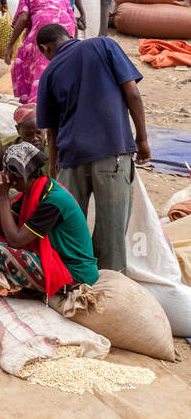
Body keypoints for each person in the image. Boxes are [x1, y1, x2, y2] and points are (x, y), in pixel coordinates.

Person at [36, 23, 148, 272]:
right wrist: (142, 139)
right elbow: (133, 93)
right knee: (112, 232)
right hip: (112, 154)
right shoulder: (104, 44)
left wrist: (55, 174)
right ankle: (108, 284)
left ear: (45, 49)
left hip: (70, 159)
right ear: (70, 36)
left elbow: (51, 133)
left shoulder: (49, 73)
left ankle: (73, 279)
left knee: (68, 230)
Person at [0, 143, 99, 295]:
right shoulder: (30, 193)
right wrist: (0, 195)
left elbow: (15, 240)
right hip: (51, 258)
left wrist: (2, 197)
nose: (8, 179)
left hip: (72, 271)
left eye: (11, 174)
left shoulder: (54, 200)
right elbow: (0, 230)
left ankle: (34, 288)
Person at [6, 0, 77, 104]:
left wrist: (10, 46)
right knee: (58, 68)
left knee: (27, 64)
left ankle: (32, 105)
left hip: (43, 32)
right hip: (65, 34)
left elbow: (23, 18)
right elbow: (73, 21)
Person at [0, 104, 50, 193]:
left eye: (39, 133)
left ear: (46, 129)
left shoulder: (52, 152)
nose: (35, 138)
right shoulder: (7, 147)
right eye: (28, 135)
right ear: (18, 130)